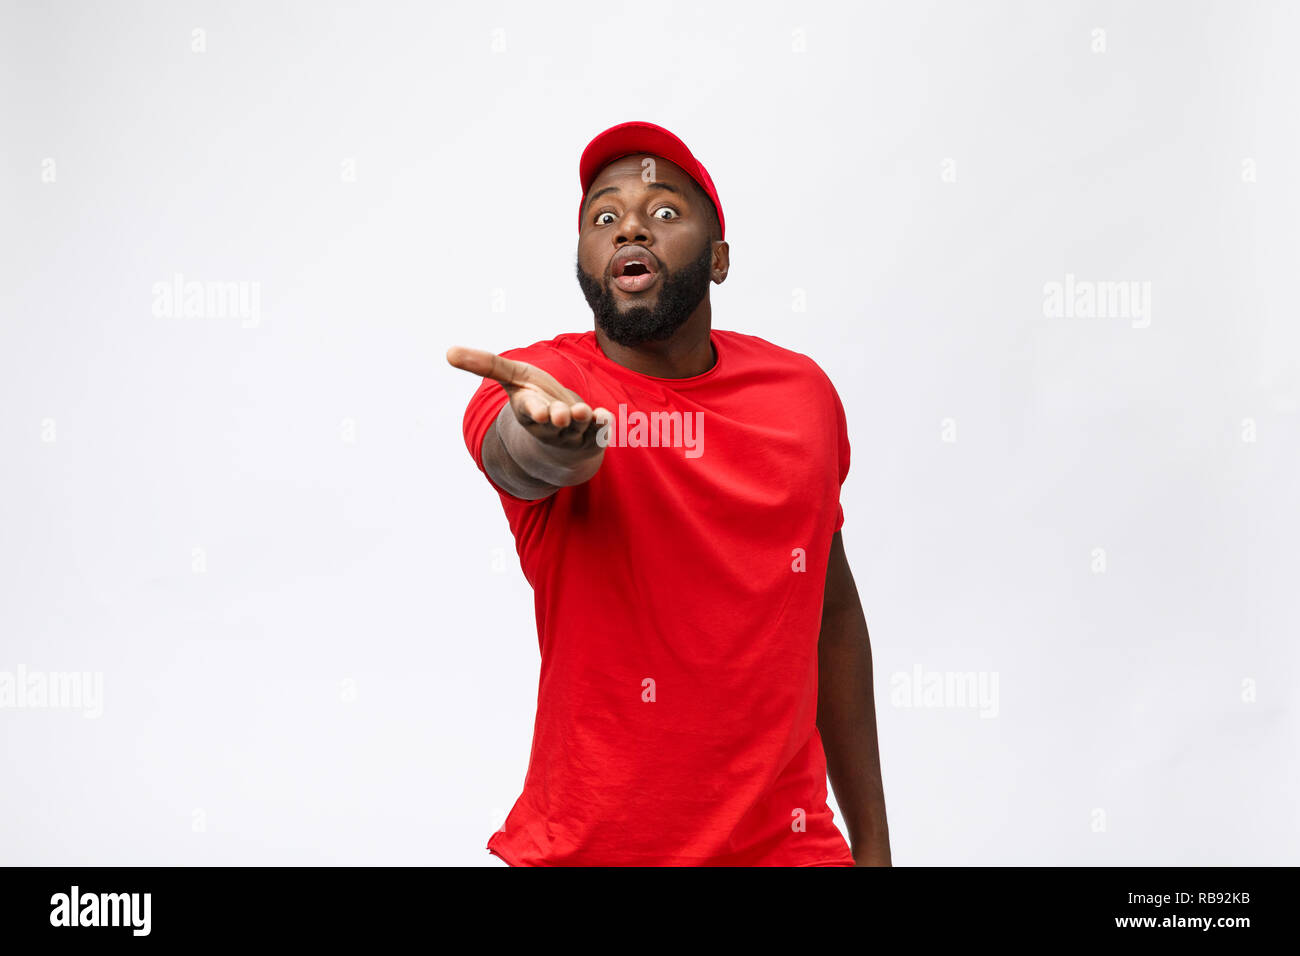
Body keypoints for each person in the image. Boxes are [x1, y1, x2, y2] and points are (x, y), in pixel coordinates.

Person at [447, 121, 891, 866]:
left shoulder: (802, 398)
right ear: (585, 260)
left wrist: (874, 850)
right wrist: (551, 442)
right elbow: (517, 456)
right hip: (590, 850)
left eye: (663, 212)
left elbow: (831, 612)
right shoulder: (543, 384)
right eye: (604, 215)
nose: (630, 228)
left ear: (718, 260)